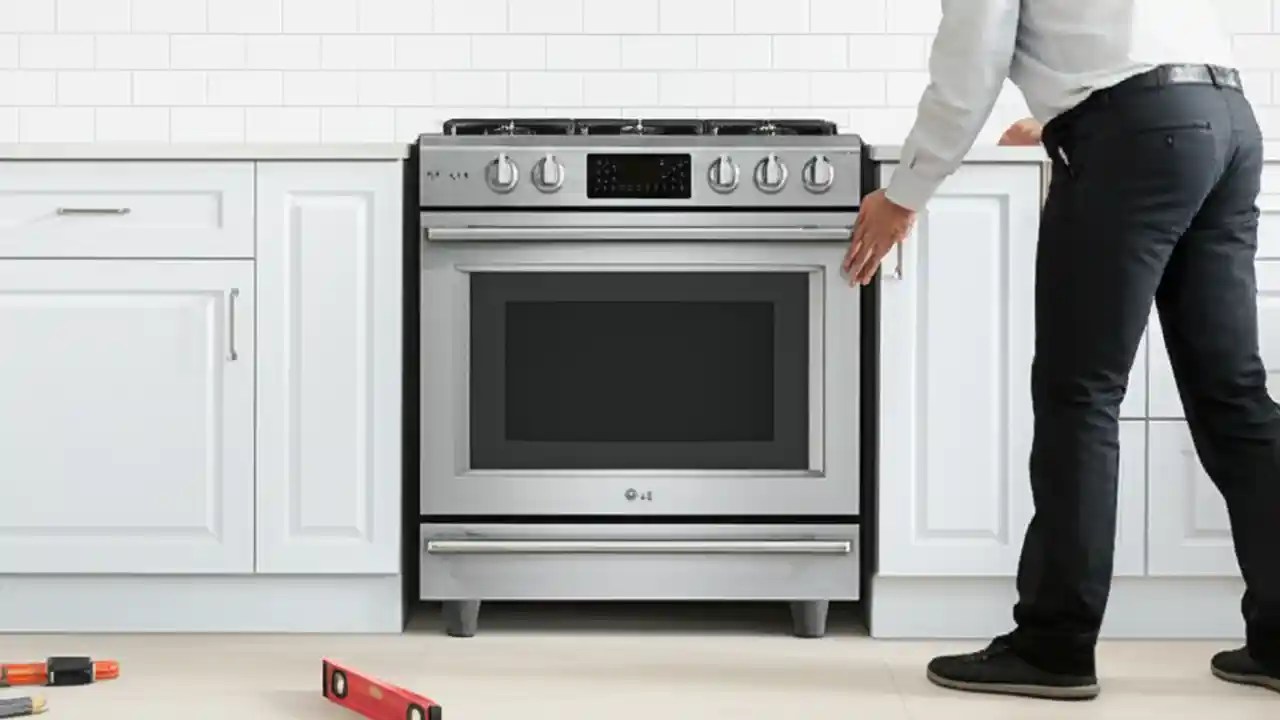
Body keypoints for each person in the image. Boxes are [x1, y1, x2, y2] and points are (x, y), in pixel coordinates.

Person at [846, 0, 1280, 701]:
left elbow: (969, 69)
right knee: (1234, 398)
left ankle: (1054, 645)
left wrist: (903, 194)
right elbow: (1138, 47)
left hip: (1140, 137)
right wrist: (1072, 118)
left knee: (1079, 395)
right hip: (1227, 122)